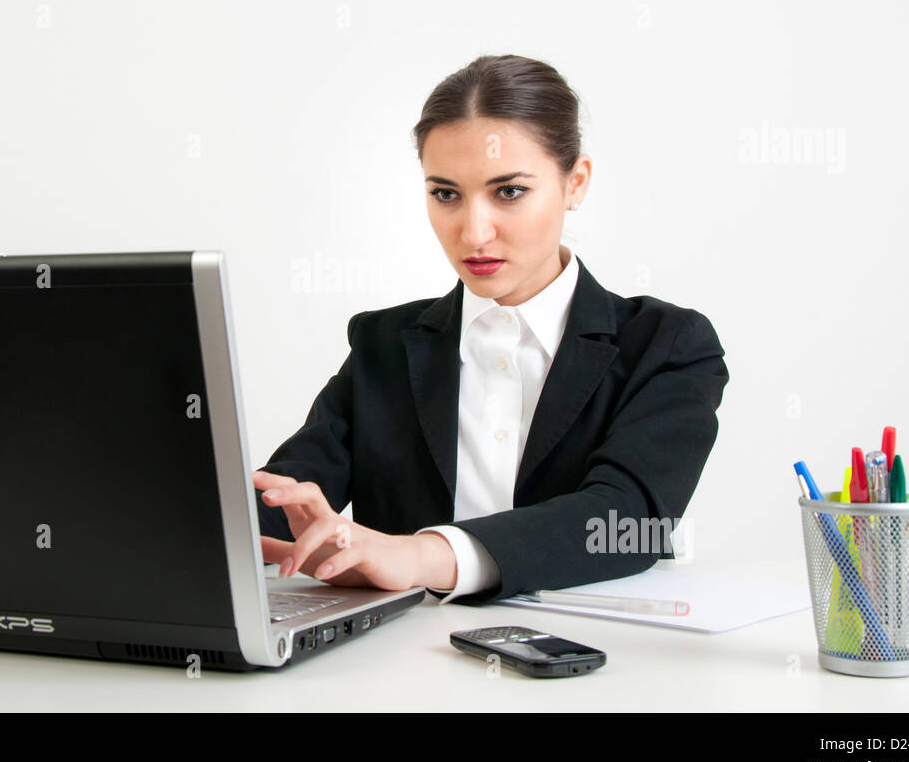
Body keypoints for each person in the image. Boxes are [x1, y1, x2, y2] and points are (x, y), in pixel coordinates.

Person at [254, 54, 728, 604]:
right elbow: (292, 495)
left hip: (591, 660)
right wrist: (235, 516)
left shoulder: (666, 345)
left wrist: (419, 556)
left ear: (575, 183)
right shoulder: (382, 344)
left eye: (508, 191)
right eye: (446, 194)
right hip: (404, 664)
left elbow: (625, 520)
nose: (474, 233)